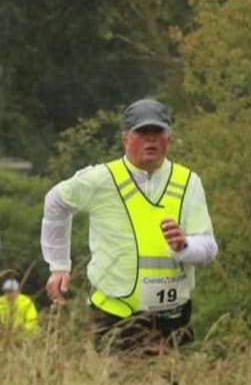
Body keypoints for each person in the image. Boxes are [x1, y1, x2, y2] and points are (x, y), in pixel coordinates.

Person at [41, 97, 218, 354]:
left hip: (172, 319)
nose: (151, 139)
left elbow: (209, 248)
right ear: (126, 138)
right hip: (114, 315)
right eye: (142, 132)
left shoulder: (188, 181)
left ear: (168, 138)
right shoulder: (101, 179)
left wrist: (184, 246)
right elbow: (55, 202)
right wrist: (58, 265)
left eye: (157, 132)